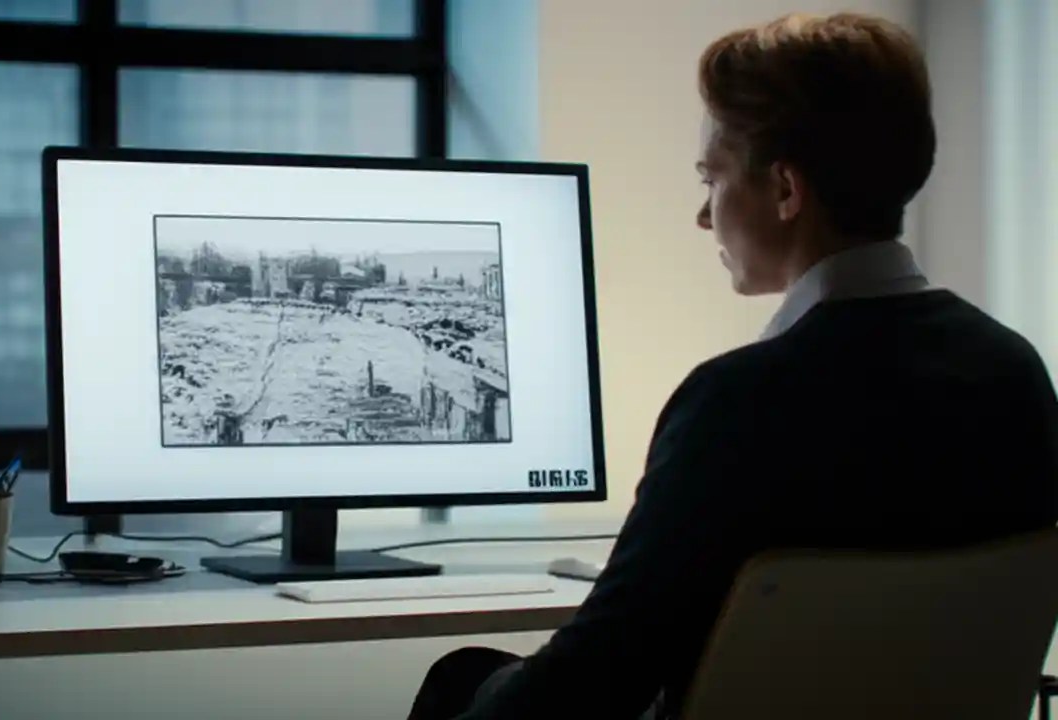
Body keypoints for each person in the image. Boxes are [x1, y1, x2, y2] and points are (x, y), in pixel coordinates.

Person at [407, 11, 1058, 720]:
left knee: (462, 682)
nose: (702, 214)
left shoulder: (739, 401)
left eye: (711, 176)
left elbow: (596, 677)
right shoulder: (1014, 374)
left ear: (785, 190)